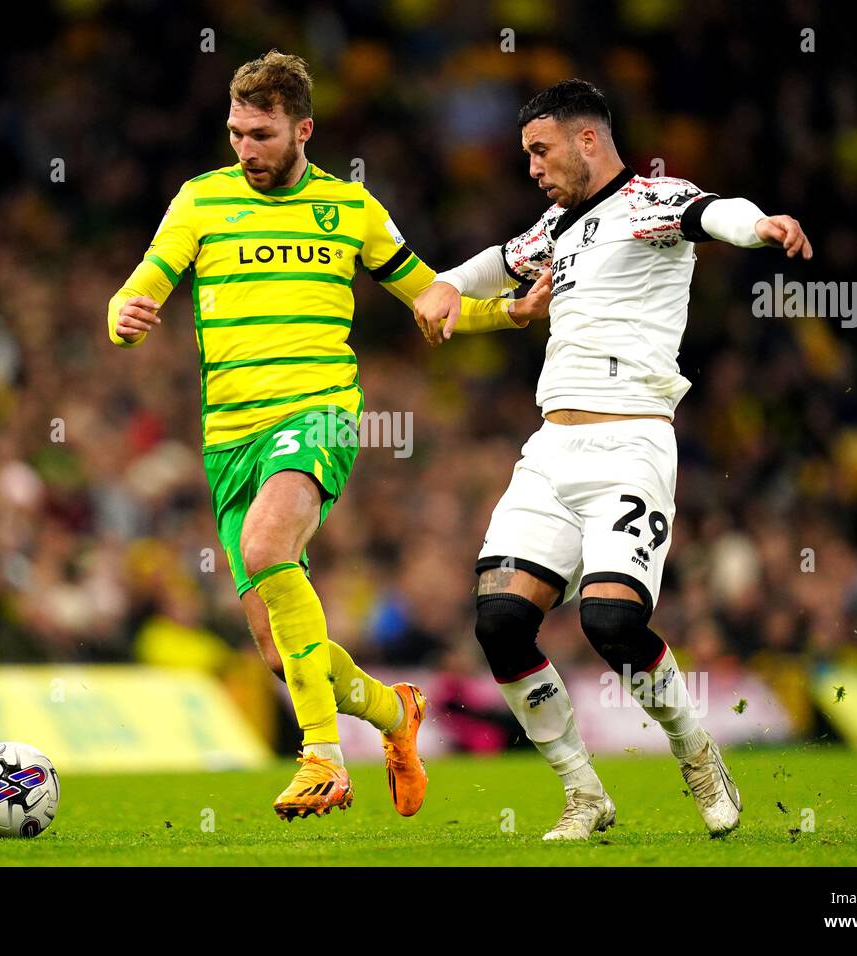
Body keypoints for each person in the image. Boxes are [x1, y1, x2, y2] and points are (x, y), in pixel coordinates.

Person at [108, 51, 553, 821]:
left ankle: (320, 758)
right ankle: (393, 712)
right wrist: (124, 316)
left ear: (303, 129)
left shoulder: (351, 210)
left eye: (260, 134)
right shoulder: (200, 201)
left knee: (263, 549)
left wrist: (507, 312)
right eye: (235, 133)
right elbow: (142, 284)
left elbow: (431, 299)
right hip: (229, 438)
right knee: (281, 655)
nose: (244, 149)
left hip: (318, 414)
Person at [414, 78, 812, 840]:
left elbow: (714, 215)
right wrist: (443, 286)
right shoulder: (557, 227)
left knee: (611, 621)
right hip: (550, 451)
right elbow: (499, 261)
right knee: (499, 622)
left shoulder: (653, 200)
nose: (531, 166)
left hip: (629, 444)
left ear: (586, 139)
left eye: (540, 149)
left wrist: (762, 225)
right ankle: (585, 795)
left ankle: (697, 752)